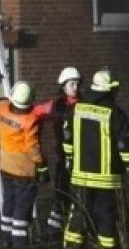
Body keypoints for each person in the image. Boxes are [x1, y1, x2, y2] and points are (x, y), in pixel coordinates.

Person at [62, 69, 129, 249]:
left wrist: (69, 158)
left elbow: (67, 137)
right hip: (107, 180)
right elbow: (125, 145)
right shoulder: (115, 113)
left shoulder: (76, 108)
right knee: (106, 217)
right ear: (109, 90)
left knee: (78, 215)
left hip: (80, 177)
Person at [0, 81, 49, 248]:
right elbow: (33, 147)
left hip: (6, 167)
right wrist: (42, 166)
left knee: (9, 204)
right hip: (24, 172)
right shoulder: (30, 120)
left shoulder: (3, 109)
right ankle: (20, 244)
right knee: (22, 208)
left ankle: (8, 241)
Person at [32, 66, 81, 231]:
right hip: (63, 156)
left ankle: (77, 223)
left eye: (77, 84)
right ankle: (57, 227)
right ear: (63, 86)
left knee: (79, 192)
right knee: (61, 188)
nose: (75, 87)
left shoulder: (85, 103)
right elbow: (36, 112)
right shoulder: (55, 105)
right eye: (72, 84)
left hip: (82, 156)